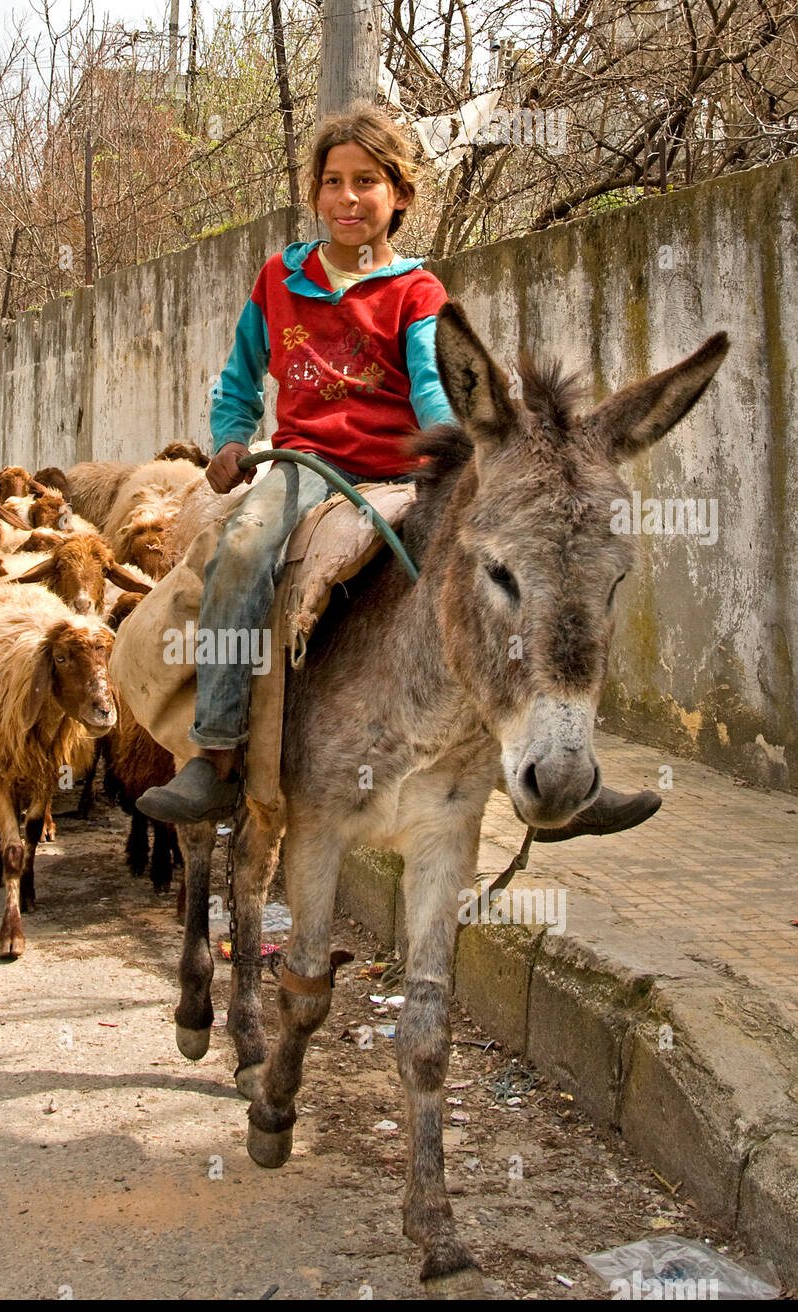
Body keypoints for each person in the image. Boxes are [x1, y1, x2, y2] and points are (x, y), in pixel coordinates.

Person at [137, 102, 659, 841]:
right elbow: (240, 380)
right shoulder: (278, 280)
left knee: (503, 581)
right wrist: (228, 439)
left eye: (367, 182)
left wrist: (454, 461)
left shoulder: (418, 293)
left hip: (401, 472)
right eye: (333, 182)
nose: (348, 199)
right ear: (314, 193)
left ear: (400, 195)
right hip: (306, 466)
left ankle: (555, 772)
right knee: (243, 552)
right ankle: (216, 753)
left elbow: (433, 387)